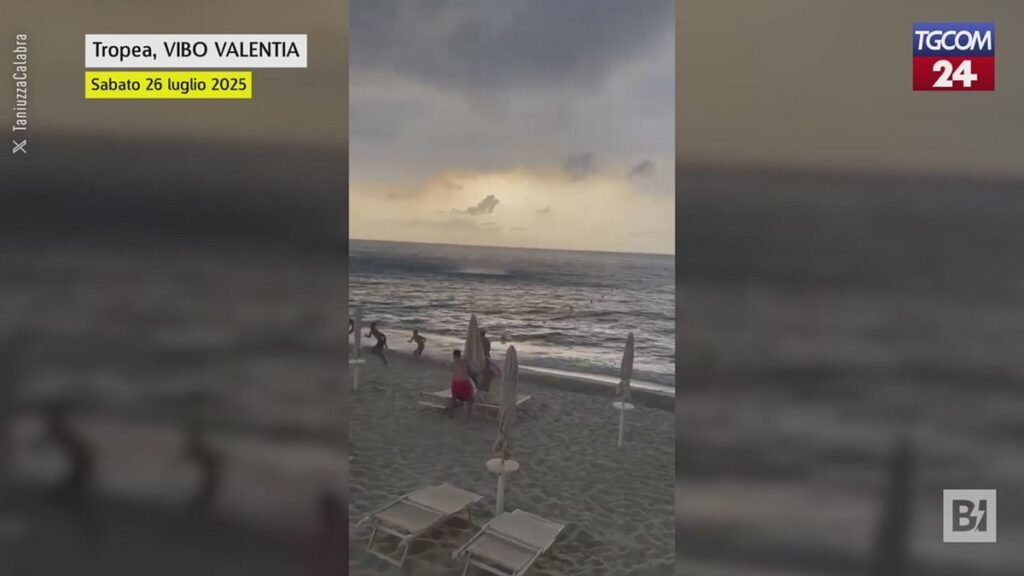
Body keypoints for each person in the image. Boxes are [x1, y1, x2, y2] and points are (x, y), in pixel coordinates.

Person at [182, 427, 222, 518]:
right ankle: (199, 510)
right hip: (211, 473)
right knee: (209, 489)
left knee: (209, 488)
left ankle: (198, 510)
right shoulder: (198, 450)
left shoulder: (197, 450)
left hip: (211, 472)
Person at [450, 350, 474, 421]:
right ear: (460, 355)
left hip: (455, 383)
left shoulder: (452, 363)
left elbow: (453, 372)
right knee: (470, 400)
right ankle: (467, 418)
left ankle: (451, 414)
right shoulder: (465, 362)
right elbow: (470, 372)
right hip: (464, 382)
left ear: (453, 356)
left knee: (453, 399)